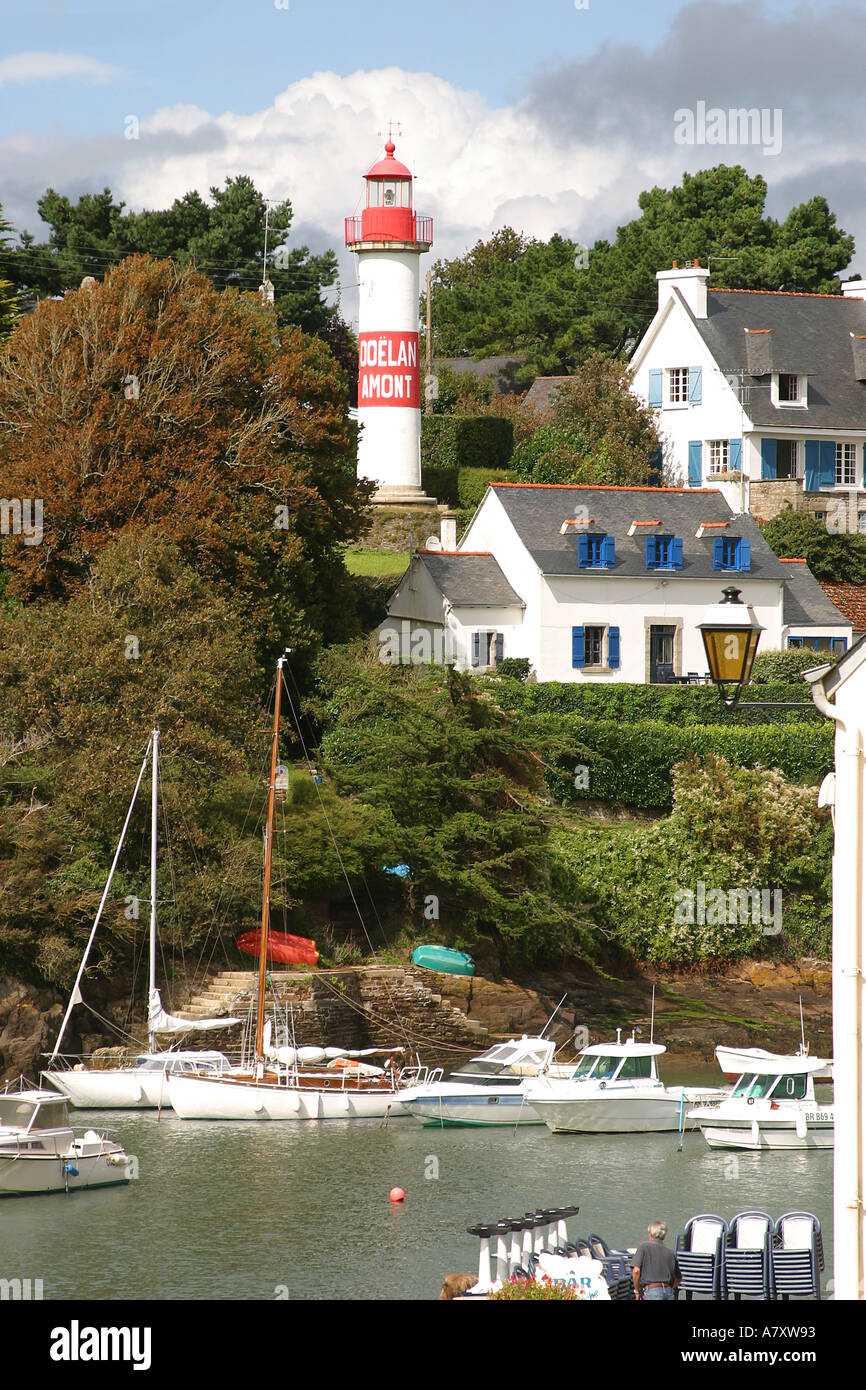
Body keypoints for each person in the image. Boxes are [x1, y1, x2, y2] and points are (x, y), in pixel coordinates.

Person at [632, 1221, 681, 1301]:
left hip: (652, 1291)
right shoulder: (670, 1253)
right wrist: (669, 1288)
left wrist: (637, 1292)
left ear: (651, 1234)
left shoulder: (644, 1247)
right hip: (669, 1292)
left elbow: (636, 1271)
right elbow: (678, 1278)